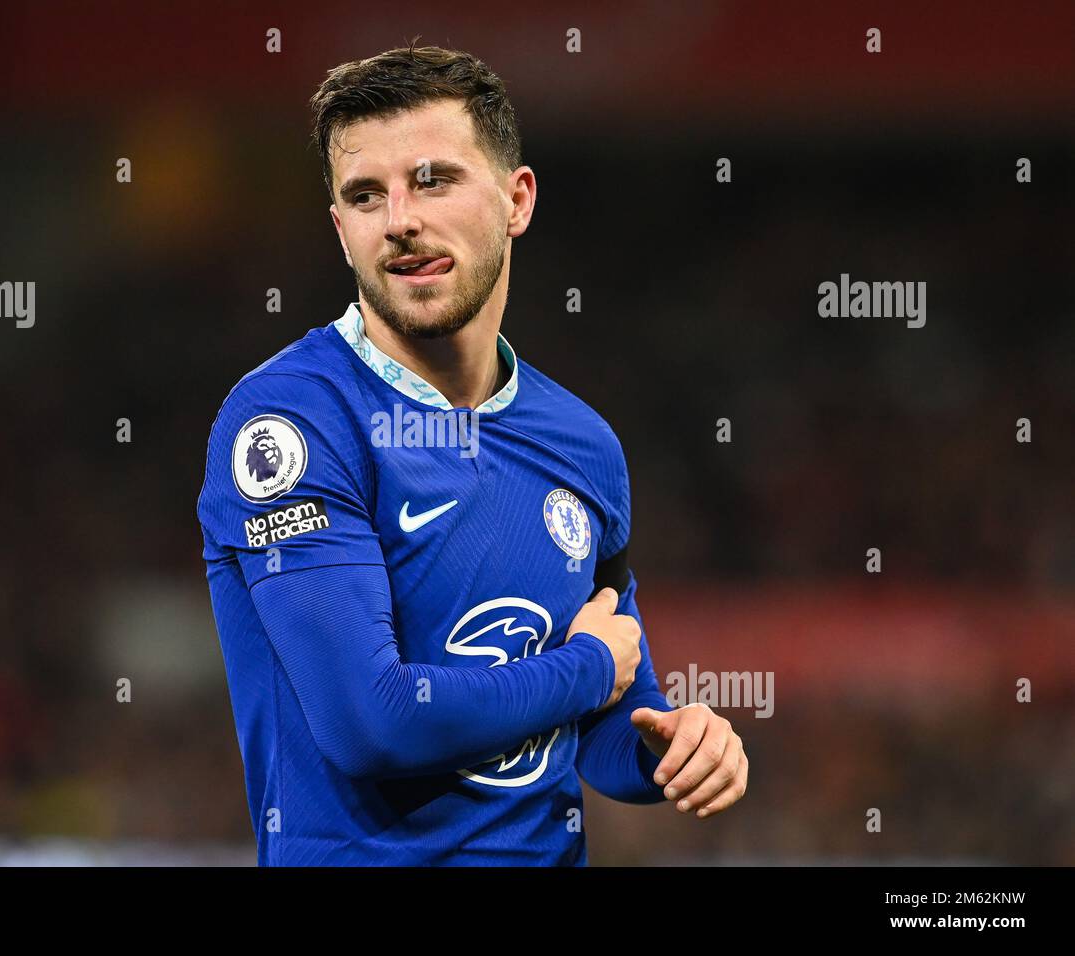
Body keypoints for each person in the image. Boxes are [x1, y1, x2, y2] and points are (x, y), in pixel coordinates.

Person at [197, 42, 747, 866]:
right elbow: (370, 722)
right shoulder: (291, 422)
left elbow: (607, 721)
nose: (401, 220)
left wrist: (672, 749)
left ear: (516, 198)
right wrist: (588, 669)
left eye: (432, 179)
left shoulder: (583, 445)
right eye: (365, 195)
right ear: (342, 231)